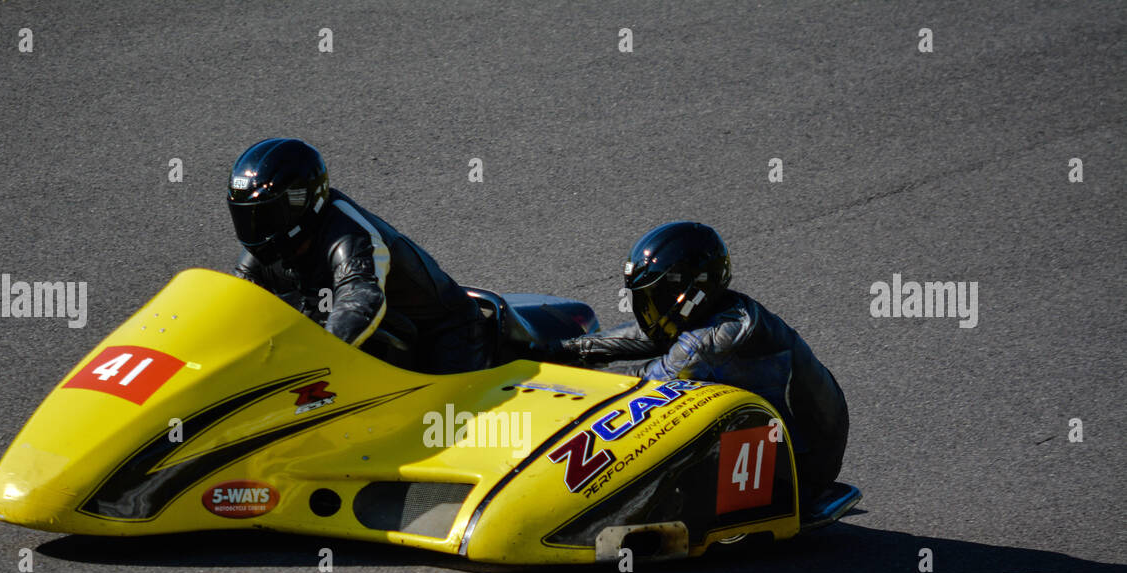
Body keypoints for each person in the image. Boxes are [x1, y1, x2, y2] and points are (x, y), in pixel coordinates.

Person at [536, 221, 849, 508]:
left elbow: (640, 382)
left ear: (691, 291)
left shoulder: (718, 337)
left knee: (652, 419)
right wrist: (565, 348)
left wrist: (553, 379)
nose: (648, 309)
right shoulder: (717, 309)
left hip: (804, 463)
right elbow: (643, 336)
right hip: (797, 437)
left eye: (657, 297)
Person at [226, 138, 493, 373]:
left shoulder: (351, 236)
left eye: (265, 217)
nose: (256, 229)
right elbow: (237, 305)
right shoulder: (268, 247)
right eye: (248, 218)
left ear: (300, 203)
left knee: (444, 426)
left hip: (441, 340)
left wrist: (308, 364)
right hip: (374, 343)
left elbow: (360, 302)